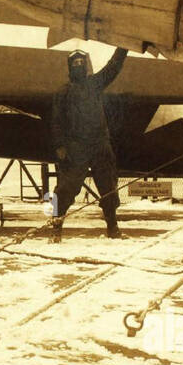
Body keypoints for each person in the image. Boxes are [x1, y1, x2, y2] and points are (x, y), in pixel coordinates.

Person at [48, 47, 127, 238]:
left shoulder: (95, 84)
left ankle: (112, 226)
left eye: (81, 63)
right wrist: (59, 145)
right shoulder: (63, 92)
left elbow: (112, 68)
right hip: (76, 147)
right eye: (74, 63)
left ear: (86, 66)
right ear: (70, 67)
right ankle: (56, 226)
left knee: (108, 186)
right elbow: (56, 121)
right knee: (66, 188)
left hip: (99, 144)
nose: (78, 66)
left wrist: (123, 49)